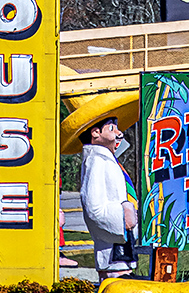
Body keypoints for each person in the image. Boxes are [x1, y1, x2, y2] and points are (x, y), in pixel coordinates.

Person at [59, 88, 139, 281]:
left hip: (120, 242)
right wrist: (123, 217)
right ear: (95, 133)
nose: (119, 134)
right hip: (113, 240)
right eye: (112, 128)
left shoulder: (107, 160)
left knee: (123, 273)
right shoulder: (96, 162)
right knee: (116, 279)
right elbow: (94, 207)